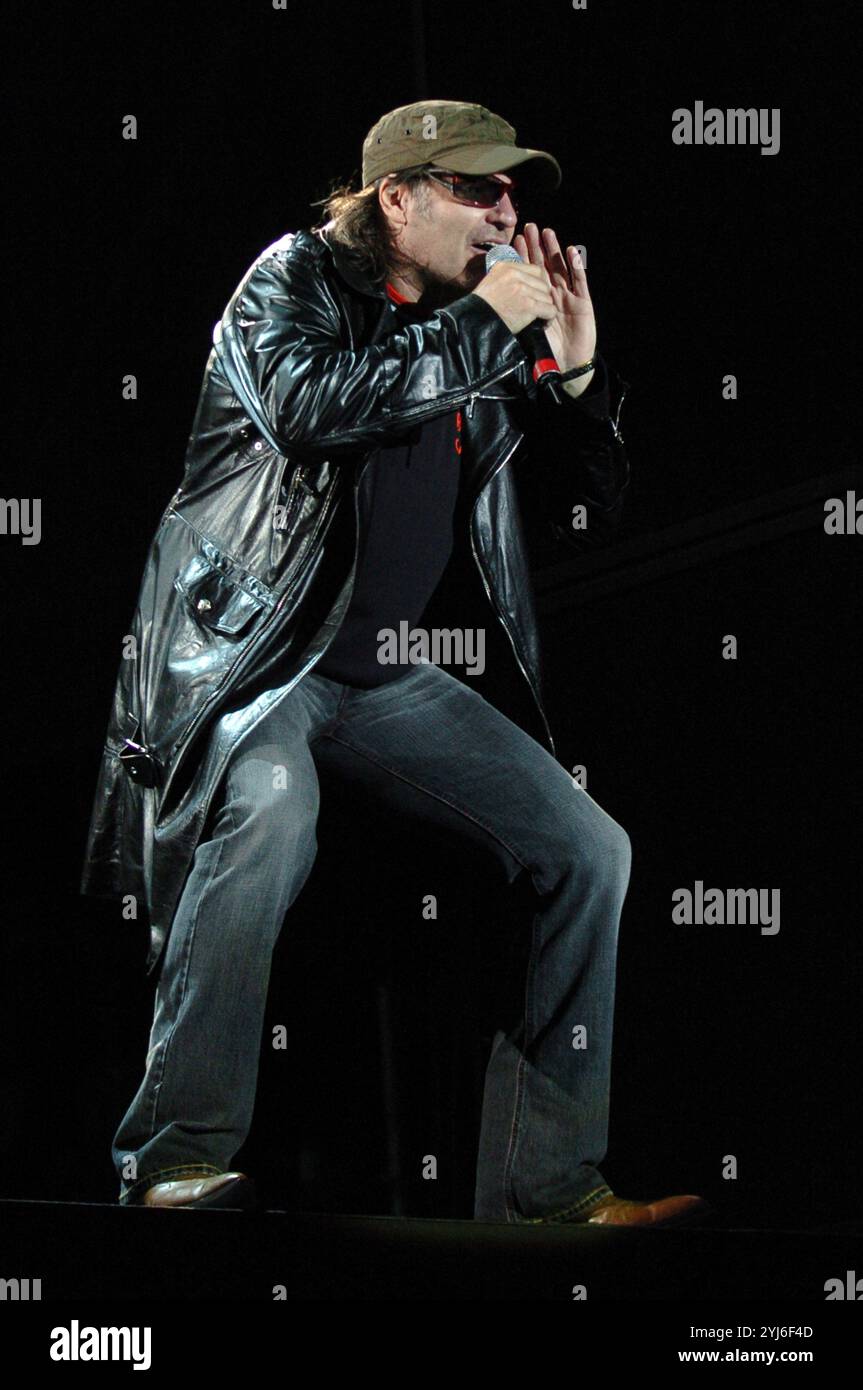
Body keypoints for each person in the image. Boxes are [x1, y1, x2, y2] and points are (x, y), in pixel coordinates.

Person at [80, 98, 710, 1225]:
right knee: (270, 801)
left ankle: (545, 1185)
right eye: (477, 189)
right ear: (398, 198)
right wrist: (482, 331)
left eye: (509, 192)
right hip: (260, 661)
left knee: (589, 848)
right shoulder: (294, 279)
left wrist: (572, 374)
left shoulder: (479, 319)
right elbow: (312, 407)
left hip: (381, 675)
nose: (504, 213)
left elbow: (588, 508)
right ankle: (170, 1162)